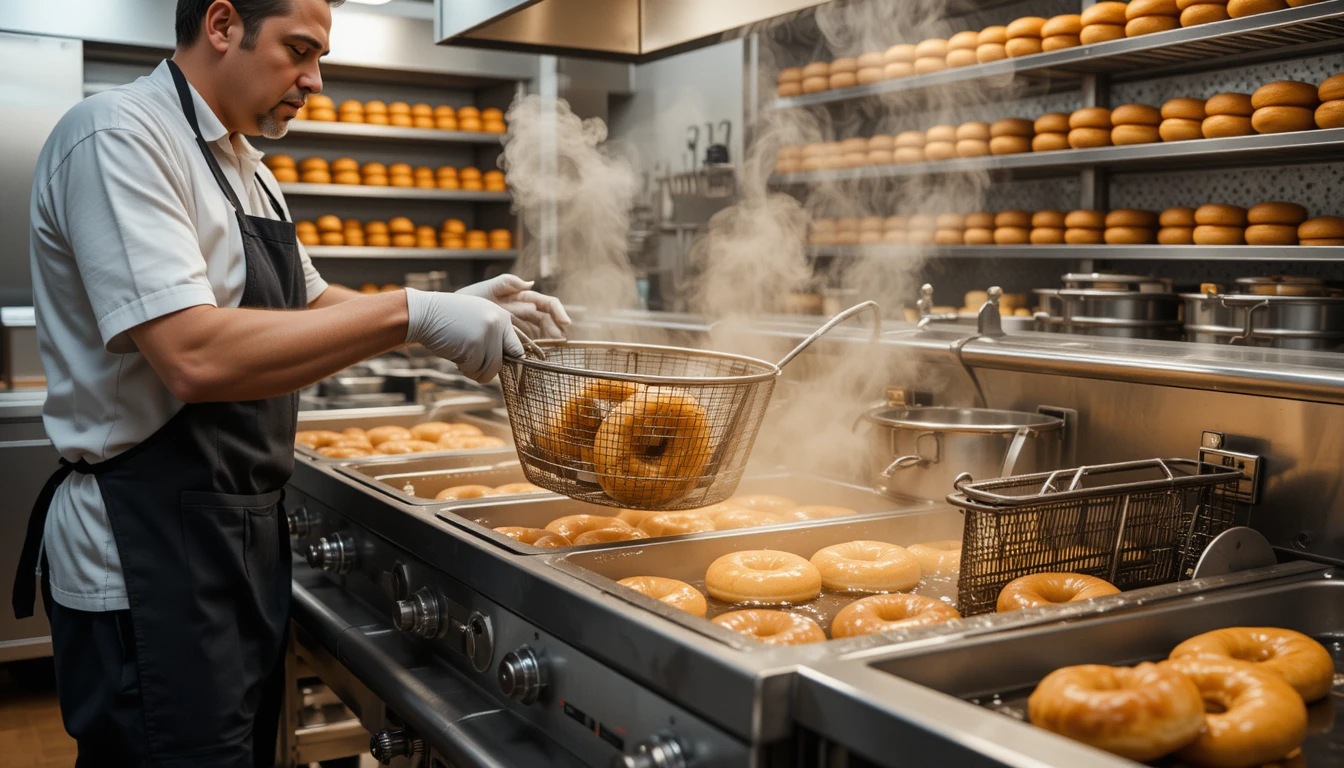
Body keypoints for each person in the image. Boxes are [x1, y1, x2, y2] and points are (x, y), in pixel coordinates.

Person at [11, 0, 569, 765]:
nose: (314, 81)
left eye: (321, 58)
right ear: (221, 24)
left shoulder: (248, 167)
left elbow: (312, 303)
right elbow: (193, 354)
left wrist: (449, 312)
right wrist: (411, 312)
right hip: (144, 553)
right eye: (298, 51)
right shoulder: (120, 135)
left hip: (237, 537)